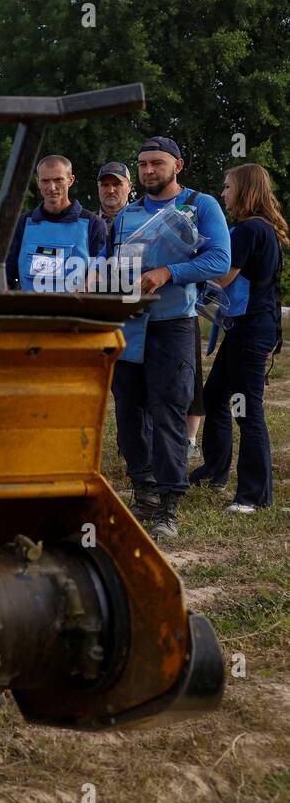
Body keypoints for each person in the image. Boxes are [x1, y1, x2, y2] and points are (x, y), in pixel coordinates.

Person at [106, 135, 231, 538]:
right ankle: (144, 493)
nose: (148, 171)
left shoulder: (200, 205)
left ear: (178, 165)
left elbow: (219, 258)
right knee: (128, 412)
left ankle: (170, 505)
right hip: (130, 324)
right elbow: (115, 263)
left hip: (172, 324)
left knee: (169, 412)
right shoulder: (127, 214)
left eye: (156, 163)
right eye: (142, 164)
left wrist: (167, 273)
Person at [189, 162, 287, 513]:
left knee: (248, 411)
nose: (223, 193)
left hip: (251, 330)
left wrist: (188, 264)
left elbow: (222, 277)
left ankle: (254, 496)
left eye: (228, 187)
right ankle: (213, 473)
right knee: (214, 398)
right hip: (246, 327)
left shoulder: (247, 230)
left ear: (244, 191)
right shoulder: (262, 228)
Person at [5, 155, 106, 292]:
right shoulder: (23, 224)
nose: (52, 187)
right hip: (28, 311)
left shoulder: (93, 224)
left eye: (58, 180)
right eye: (45, 181)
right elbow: (6, 275)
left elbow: (101, 279)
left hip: (74, 311)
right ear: (38, 182)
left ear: (70, 180)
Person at [95, 161, 132, 233]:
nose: (110, 191)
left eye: (117, 184)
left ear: (129, 187)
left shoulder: (144, 222)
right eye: (105, 185)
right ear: (98, 187)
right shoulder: (86, 223)